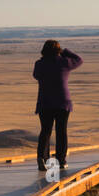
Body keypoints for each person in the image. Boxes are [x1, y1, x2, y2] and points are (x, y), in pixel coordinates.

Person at [32, 39, 83, 173]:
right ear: (58, 51)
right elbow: (79, 59)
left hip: (45, 102)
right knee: (61, 131)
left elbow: (35, 75)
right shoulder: (65, 62)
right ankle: (61, 161)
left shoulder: (39, 64)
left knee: (45, 131)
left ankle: (42, 157)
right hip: (62, 102)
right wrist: (65, 51)